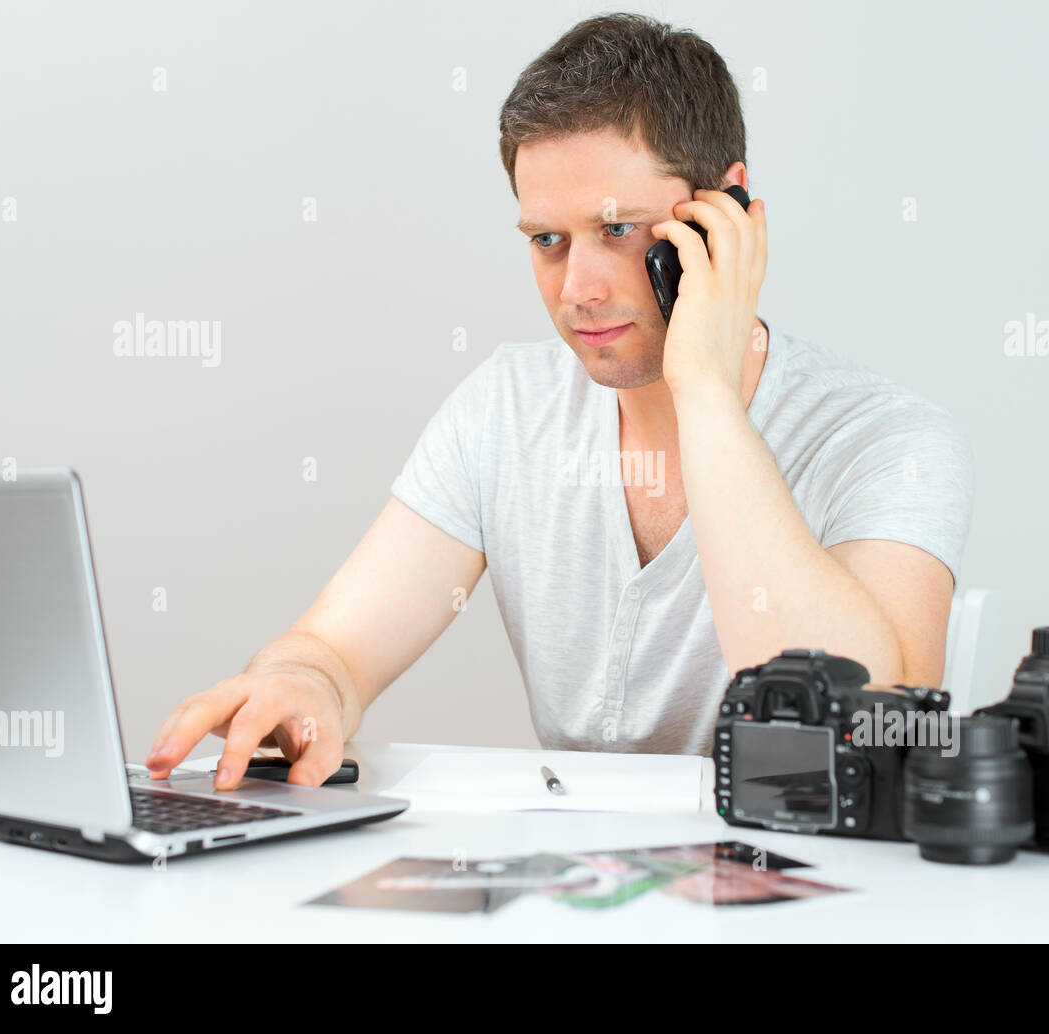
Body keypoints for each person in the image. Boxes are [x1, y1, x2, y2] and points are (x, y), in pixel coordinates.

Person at [146, 12, 974, 789]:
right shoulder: (506, 409)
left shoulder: (889, 440)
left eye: (617, 231)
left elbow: (870, 730)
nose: (578, 289)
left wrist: (708, 398)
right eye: (548, 241)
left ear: (726, 212)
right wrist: (306, 687)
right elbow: (331, 650)